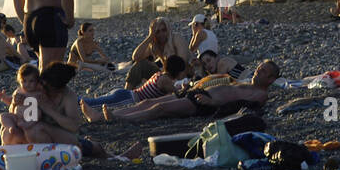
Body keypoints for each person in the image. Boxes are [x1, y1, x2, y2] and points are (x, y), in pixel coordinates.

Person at [106, 60, 280, 124]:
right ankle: (106, 115)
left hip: (204, 103)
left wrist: (213, 103)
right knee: (148, 103)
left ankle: (120, 119)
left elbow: (242, 106)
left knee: (159, 108)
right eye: (259, 68)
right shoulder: (246, 84)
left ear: (271, 79)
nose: (258, 71)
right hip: (200, 94)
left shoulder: (260, 94)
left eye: (263, 71)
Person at [81, 55, 187, 121]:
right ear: (178, 71)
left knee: (95, 102)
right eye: (183, 71)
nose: (184, 74)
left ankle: (83, 109)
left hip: (124, 93)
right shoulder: (166, 80)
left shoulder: (160, 74)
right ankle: (72, 102)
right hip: (127, 98)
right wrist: (185, 88)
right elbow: (178, 94)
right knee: (91, 103)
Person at [126, 18, 190, 87]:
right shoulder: (156, 45)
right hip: (165, 76)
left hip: (180, 78)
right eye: (157, 32)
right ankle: (127, 93)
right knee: (140, 65)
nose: (161, 34)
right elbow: (136, 57)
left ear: (168, 30)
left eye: (163, 30)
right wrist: (150, 37)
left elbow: (182, 64)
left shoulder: (176, 39)